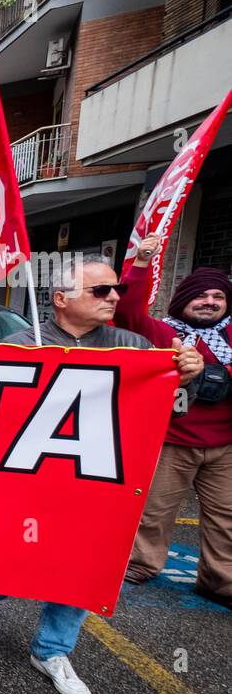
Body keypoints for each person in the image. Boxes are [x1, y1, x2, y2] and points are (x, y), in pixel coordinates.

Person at [0, 252, 203, 694]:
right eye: (101, 290)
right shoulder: (19, 344)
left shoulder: (135, 349)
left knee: (84, 567)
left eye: (117, 290)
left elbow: (176, 402)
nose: (114, 297)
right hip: (29, 483)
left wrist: (189, 375)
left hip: (100, 487)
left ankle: (51, 651)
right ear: (61, 299)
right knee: (17, 558)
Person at [113, 235, 232, 607]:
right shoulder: (162, 333)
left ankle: (220, 582)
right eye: (201, 296)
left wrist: (221, 371)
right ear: (184, 301)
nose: (209, 303)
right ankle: (140, 565)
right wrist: (142, 263)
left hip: (225, 446)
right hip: (171, 440)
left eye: (218, 297)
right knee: (154, 511)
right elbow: (128, 310)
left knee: (226, 519)